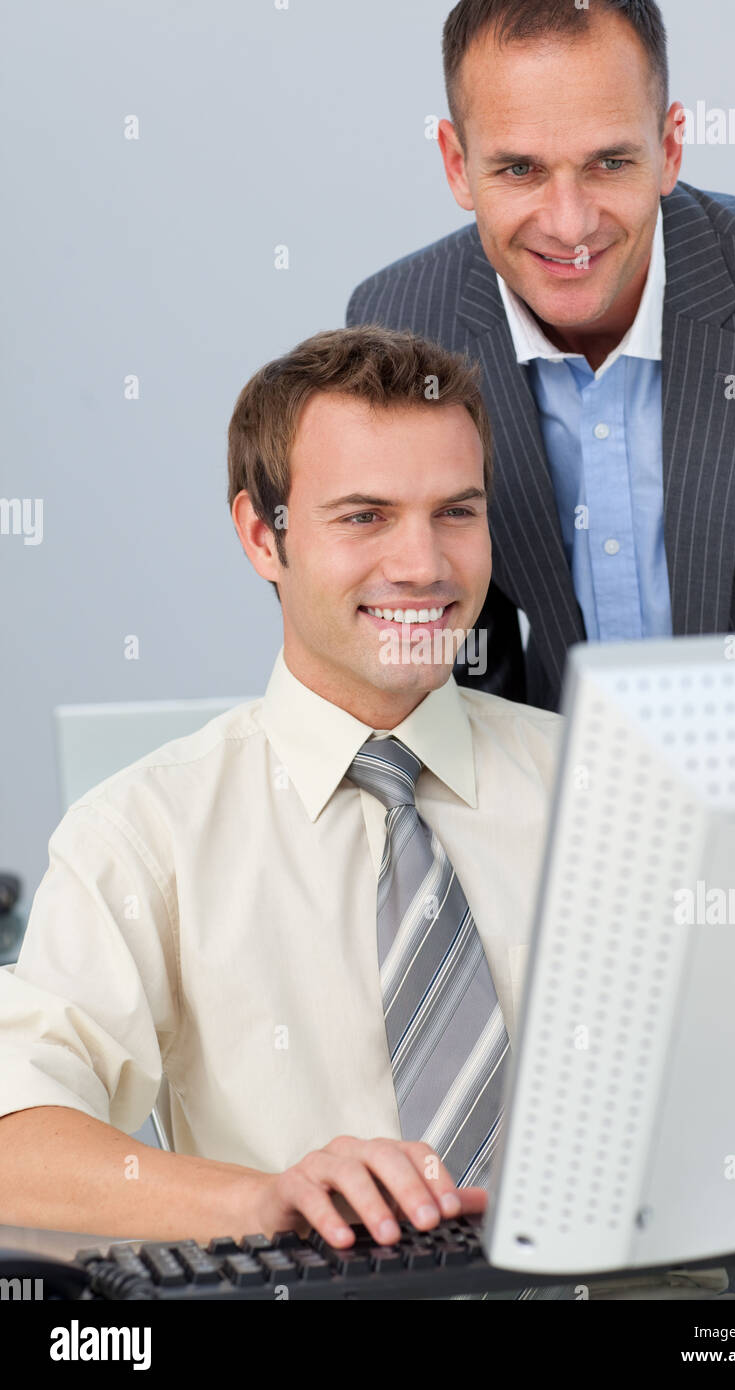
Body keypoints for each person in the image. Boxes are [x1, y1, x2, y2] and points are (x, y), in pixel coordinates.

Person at [0, 327, 564, 1275]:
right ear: (266, 536)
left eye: (455, 512)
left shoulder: (606, 787)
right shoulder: (143, 835)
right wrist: (261, 1201)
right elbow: (14, 1146)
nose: (423, 565)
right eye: (365, 517)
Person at [347, 0, 735, 711]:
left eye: (609, 162)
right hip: (546, 789)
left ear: (669, 149)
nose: (570, 226)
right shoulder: (404, 324)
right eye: (521, 169)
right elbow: (447, 664)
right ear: (457, 164)